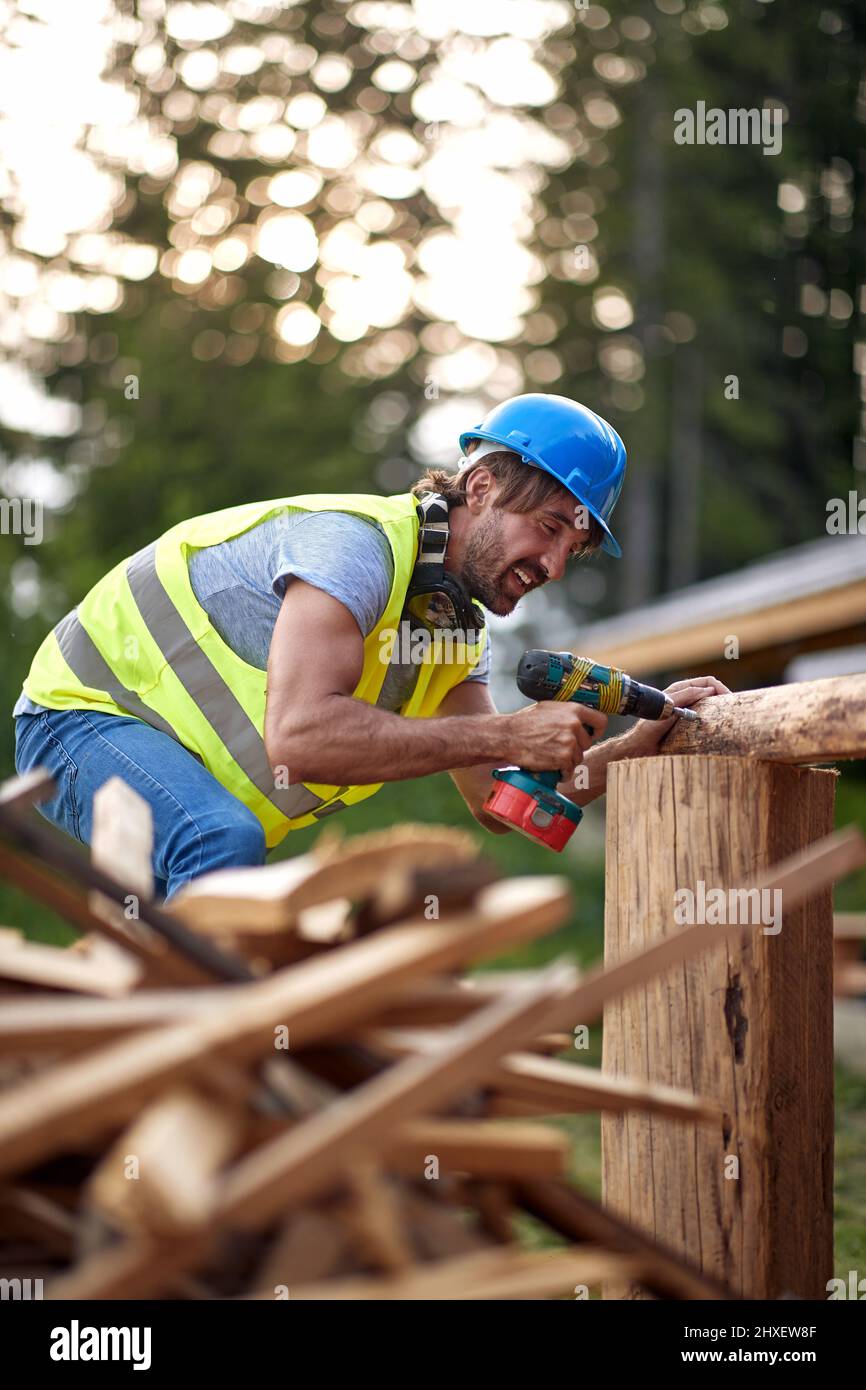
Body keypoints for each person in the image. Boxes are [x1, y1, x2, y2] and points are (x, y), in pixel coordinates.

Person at [13, 392, 728, 899]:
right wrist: (510, 731)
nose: (555, 565)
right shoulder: (354, 548)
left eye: (574, 547)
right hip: (80, 715)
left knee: (199, 907)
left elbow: (500, 802)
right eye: (548, 528)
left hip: (177, 777)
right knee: (220, 843)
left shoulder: (451, 630)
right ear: (481, 486)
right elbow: (301, 737)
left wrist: (637, 746)